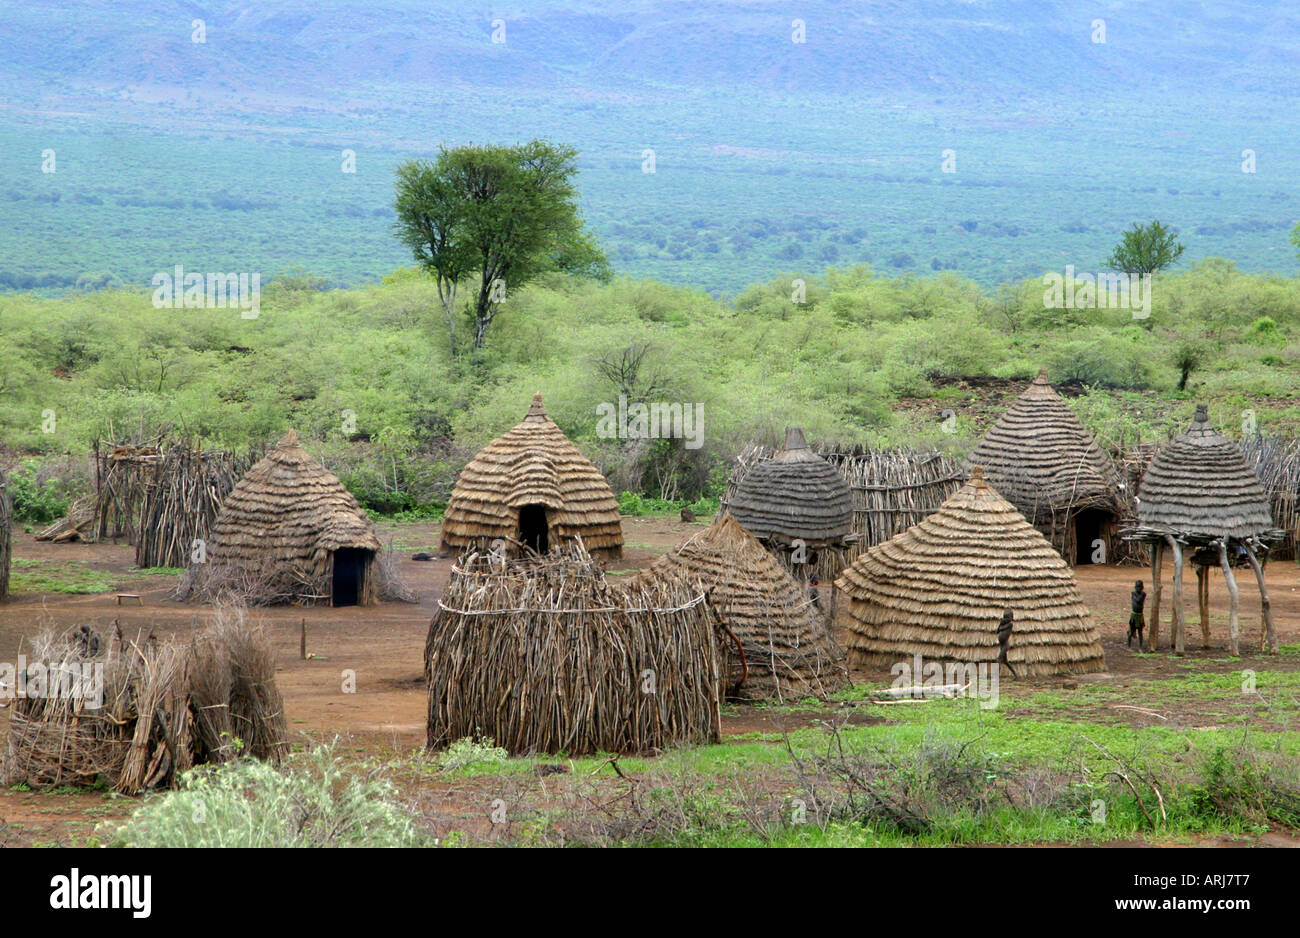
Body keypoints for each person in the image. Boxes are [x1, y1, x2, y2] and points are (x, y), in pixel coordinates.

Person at [996, 608, 1016, 678]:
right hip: (1002, 645)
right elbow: (997, 631)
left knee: (998, 660)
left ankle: (996, 676)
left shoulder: (1010, 624)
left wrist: (1001, 623)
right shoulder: (1003, 624)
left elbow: (1002, 628)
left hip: (1005, 645)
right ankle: (1015, 675)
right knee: (1005, 662)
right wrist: (1000, 624)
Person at [1128, 579, 1146, 648]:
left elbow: (1138, 600)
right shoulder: (1133, 593)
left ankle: (1140, 646)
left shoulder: (1143, 594)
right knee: (1131, 631)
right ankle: (1129, 646)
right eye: (1137, 587)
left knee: (1140, 632)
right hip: (1134, 614)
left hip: (1139, 615)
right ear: (1135, 587)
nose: (1138, 589)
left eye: (1140, 587)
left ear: (1142, 588)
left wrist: (1136, 596)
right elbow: (1137, 600)